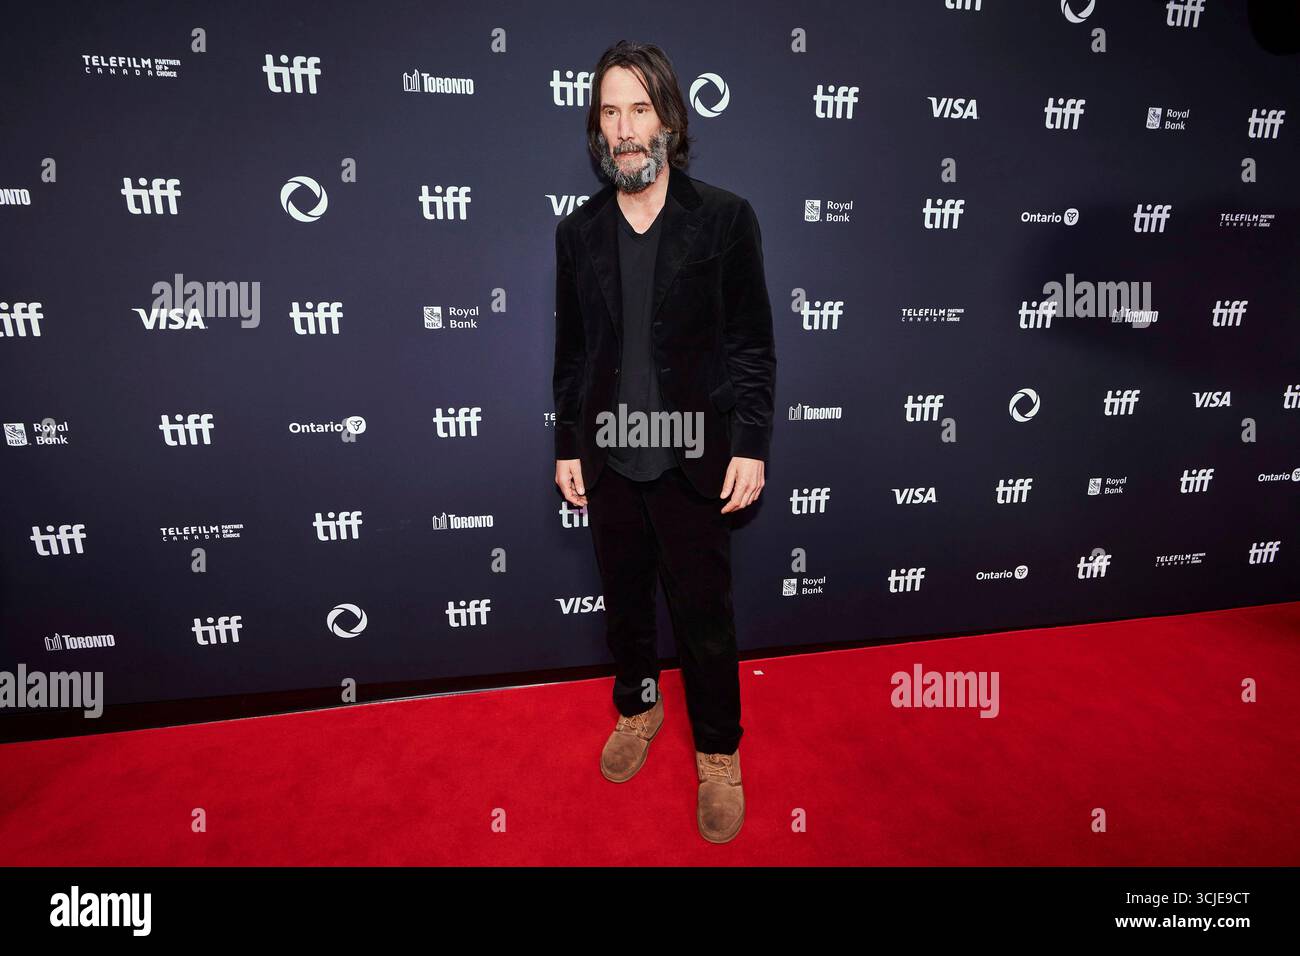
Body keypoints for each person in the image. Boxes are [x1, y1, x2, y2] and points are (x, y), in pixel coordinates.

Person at [552, 40, 776, 844]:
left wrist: (750, 441)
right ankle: (637, 708)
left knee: (704, 616)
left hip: (695, 455)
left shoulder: (723, 218)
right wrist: (567, 445)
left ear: (670, 119)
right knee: (626, 608)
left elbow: (752, 344)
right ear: (597, 128)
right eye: (610, 111)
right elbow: (574, 354)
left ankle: (719, 753)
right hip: (611, 455)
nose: (625, 128)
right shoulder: (577, 231)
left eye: (640, 108)